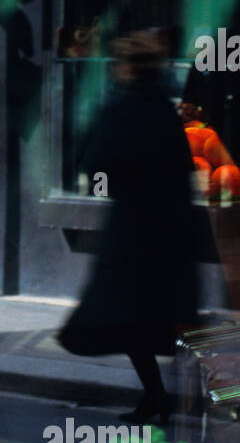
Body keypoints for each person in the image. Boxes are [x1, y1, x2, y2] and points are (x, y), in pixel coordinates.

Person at [56, 30, 201, 422]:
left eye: (120, 64)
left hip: (134, 231)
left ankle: (156, 394)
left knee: (128, 316)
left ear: (128, 68)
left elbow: (96, 161)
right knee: (156, 316)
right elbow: (183, 169)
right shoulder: (163, 110)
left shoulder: (119, 107)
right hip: (169, 229)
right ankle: (162, 394)